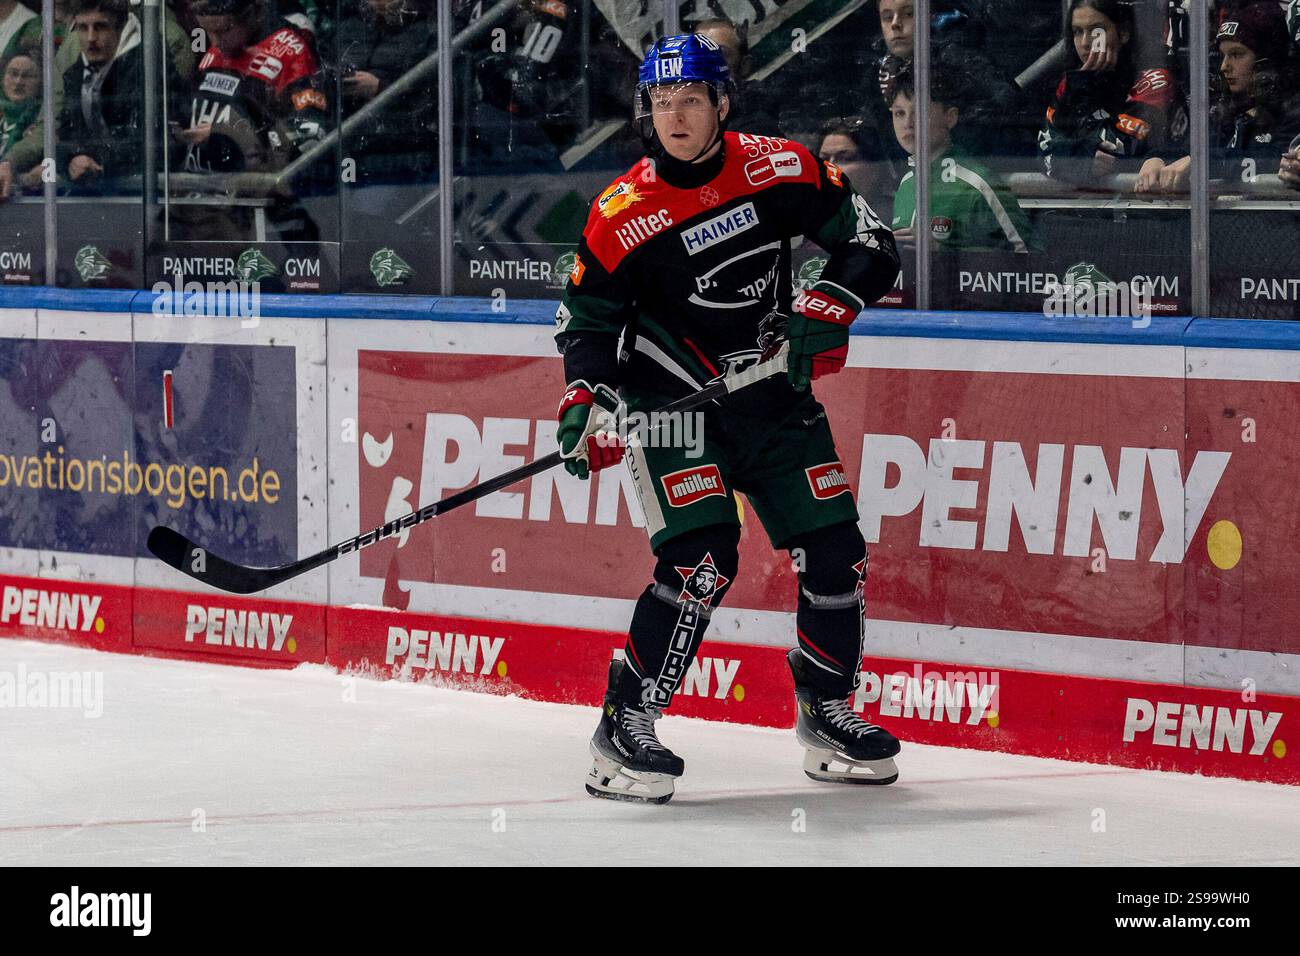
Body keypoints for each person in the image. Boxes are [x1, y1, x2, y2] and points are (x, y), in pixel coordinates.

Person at [554, 34, 902, 803]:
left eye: (688, 100)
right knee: (703, 559)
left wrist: (832, 299)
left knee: (836, 550)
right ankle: (626, 722)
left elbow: (873, 244)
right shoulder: (622, 213)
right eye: (659, 102)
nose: (673, 116)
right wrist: (586, 400)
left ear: (721, 103)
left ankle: (829, 708)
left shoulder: (779, 168)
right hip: (673, 412)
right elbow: (585, 323)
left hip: (773, 401)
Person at [888, 63, 1037, 254]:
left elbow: (1031, 259)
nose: (907, 123)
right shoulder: (906, 184)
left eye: (920, 112)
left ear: (950, 118)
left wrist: (944, 252)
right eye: (899, 113)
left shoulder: (978, 183)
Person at [1040, 0, 1180, 184]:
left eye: (1096, 31)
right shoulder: (1072, 84)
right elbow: (1043, 151)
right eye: (1077, 32)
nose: (1085, 43)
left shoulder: (1153, 80)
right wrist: (1082, 90)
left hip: (1139, 206)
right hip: (1081, 205)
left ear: (1123, 33)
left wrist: (1071, 157)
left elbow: (1116, 153)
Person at [0, 49, 40, 198]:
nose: (18, 81)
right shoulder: (2, 119)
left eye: (28, 76)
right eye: (13, 73)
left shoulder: (43, 124)